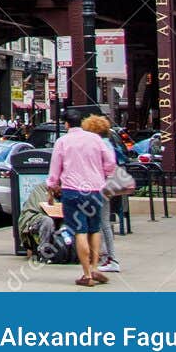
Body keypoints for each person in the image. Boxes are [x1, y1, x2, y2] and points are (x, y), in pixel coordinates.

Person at [44, 107, 117, 287]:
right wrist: (103, 175)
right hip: (95, 189)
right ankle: (94, 267)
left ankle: (86, 274)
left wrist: (52, 187)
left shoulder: (62, 142)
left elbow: (55, 170)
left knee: (80, 231)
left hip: (73, 191)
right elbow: (110, 163)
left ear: (66, 124)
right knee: (94, 229)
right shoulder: (95, 139)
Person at [81, 114, 123, 274]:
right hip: (105, 186)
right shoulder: (107, 143)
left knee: (102, 223)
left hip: (100, 187)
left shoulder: (101, 145)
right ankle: (108, 257)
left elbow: (107, 165)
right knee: (102, 222)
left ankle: (110, 258)